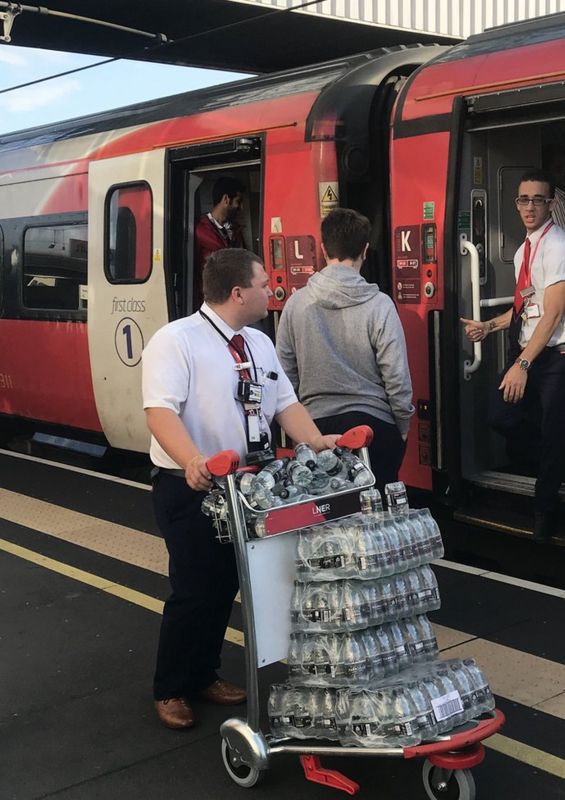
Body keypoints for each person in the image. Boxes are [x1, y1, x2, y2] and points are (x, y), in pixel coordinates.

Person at [142, 248, 339, 730]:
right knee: (194, 589)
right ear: (237, 293)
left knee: (228, 585)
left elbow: (285, 404)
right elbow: (160, 411)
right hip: (192, 486)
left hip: (248, 487)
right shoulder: (176, 340)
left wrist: (318, 443)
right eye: (264, 284)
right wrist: (192, 460)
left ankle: (203, 674)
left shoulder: (258, 343)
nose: (272, 291)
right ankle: (170, 688)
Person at [461, 169, 565, 543]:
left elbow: (554, 313)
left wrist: (523, 364)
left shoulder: (558, 246)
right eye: (523, 200)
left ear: (550, 204)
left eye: (537, 200)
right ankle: (560, 462)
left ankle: (544, 516)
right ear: (516, 204)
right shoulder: (523, 250)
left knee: (552, 433)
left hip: (555, 355)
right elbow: (525, 306)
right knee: (502, 416)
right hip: (530, 350)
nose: (530, 207)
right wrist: (488, 326)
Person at [276, 207, 414, 491]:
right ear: (365, 250)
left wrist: (300, 429)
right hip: (372, 427)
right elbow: (396, 375)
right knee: (378, 510)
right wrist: (402, 426)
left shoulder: (296, 304)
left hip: (315, 426)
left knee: (325, 512)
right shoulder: (380, 305)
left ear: (323, 249)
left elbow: (284, 374)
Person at [192, 176, 245, 308]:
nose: (241, 207)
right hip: (212, 300)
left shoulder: (235, 231)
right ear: (226, 199)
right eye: (238, 201)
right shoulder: (199, 230)